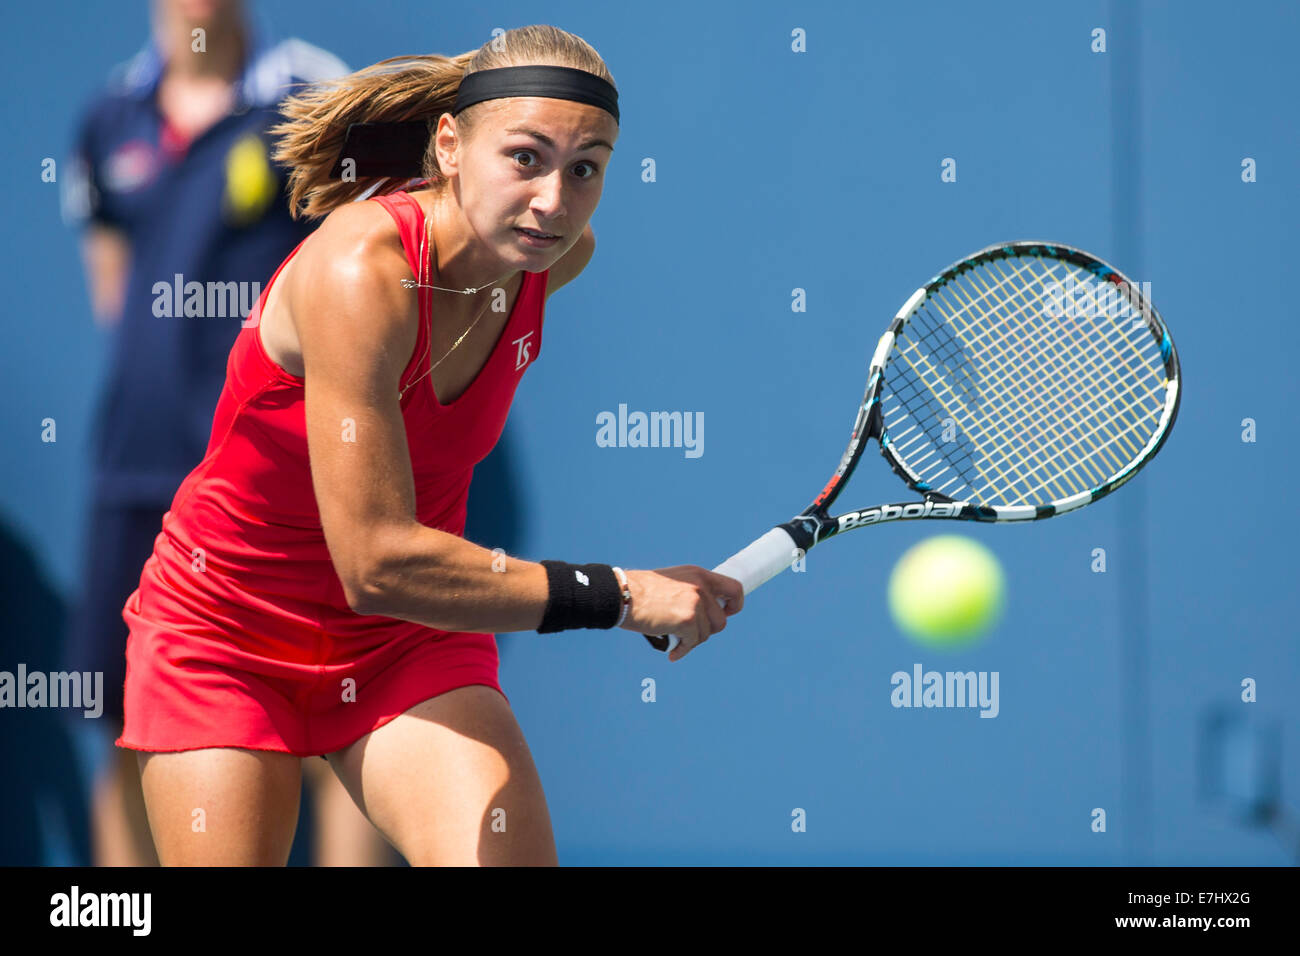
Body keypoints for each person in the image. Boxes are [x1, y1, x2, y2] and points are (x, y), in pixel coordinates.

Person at [116, 22, 745, 867]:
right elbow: (374, 561)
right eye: (526, 158)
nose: (555, 202)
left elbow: (389, 593)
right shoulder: (358, 272)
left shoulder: (554, 260)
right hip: (227, 632)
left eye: (585, 169)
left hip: (405, 640)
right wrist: (622, 594)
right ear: (449, 144)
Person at [62, 0, 394, 865]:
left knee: (325, 716)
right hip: (135, 468)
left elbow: (373, 271)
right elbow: (114, 289)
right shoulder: (108, 118)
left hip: (276, 474)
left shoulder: (312, 93)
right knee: (130, 722)